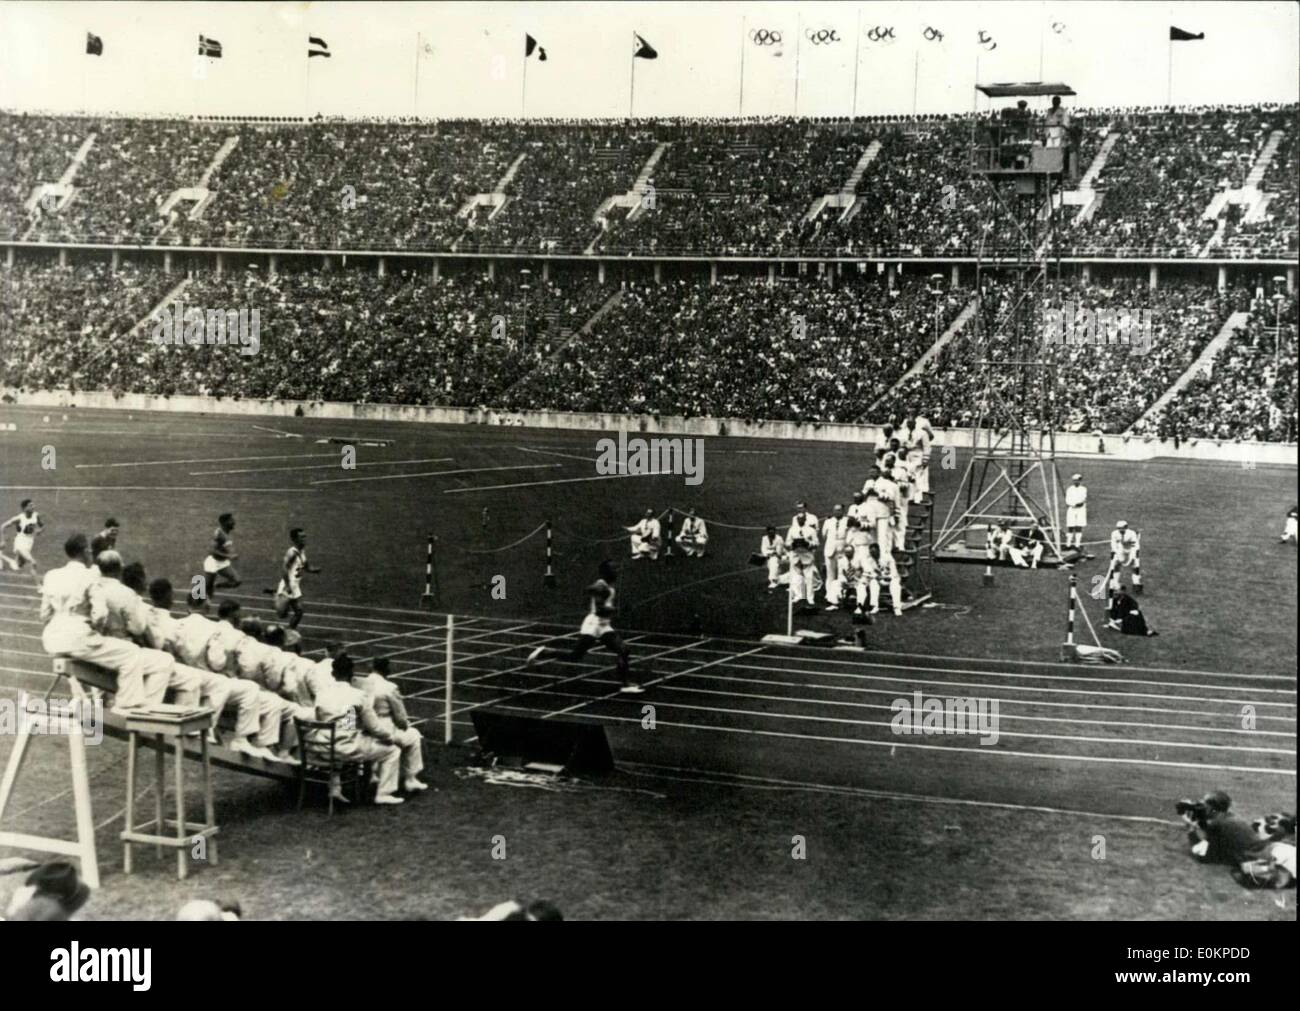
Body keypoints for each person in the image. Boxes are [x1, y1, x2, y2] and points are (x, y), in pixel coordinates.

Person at [526, 559, 643, 694]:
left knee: (624, 650)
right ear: (605, 572)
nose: (617, 571)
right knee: (574, 656)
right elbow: (600, 610)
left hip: (604, 625)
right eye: (613, 569)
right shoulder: (602, 587)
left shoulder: (605, 586)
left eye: (617, 568)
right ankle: (544, 652)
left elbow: (591, 592)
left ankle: (625, 685)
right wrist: (617, 610)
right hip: (593, 625)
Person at [309, 654, 406, 806]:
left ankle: (334, 789)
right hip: (343, 747)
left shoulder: (321, 694)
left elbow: (323, 718)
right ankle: (384, 793)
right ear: (351, 675)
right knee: (393, 751)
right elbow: (374, 727)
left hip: (320, 745)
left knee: (342, 738)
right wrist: (390, 737)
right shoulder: (358, 695)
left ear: (333, 674)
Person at [353, 657, 426, 793]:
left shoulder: (358, 684)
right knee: (414, 735)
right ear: (386, 670)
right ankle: (410, 778)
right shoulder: (390, 687)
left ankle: (373, 774)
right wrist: (404, 725)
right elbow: (400, 717)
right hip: (382, 727)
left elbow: (350, 716)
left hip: (358, 731)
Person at [274, 528, 320, 630]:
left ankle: (289, 631)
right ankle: (276, 597)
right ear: (295, 539)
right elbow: (284, 568)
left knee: (299, 612)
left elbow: (306, 567)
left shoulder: (302, 552)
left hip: (295, 587)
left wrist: (314, 570)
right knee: (282, 615)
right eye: (301, 537)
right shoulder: (292, 552)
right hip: (288, 586)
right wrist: (287, 585)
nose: (304, 539)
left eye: (305, 536)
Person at [786, 505, 820, 610]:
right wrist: (792, 545)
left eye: (802, 519)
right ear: (797, 519)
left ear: (805, 519)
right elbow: (787, 542)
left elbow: (816, 543)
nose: (800, 520)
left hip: (807, 555)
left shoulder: (811, 530)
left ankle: (810, 598)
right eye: (798, 519)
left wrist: (808, 543)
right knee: (797, 577)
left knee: (809, 578)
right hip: (796, 555)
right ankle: (799, 595)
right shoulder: (792, 529)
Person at [1, 498, 44, 578]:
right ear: (24, 508)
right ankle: (39, 586)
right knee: (33, 562)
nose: (33, 507)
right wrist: (3, 540)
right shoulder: (19, 518)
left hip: (30, 542)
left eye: (33, 505)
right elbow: (3, 526)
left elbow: (42, 525)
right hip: (20, 542)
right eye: (30, 505)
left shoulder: (36, 515)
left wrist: (40, 531)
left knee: (18, 566)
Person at [203, 513, 241, 597]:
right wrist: (229, 556)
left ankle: (216, 585)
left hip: (222, 563)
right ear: (225, 523)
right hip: (213, 562)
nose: (234, 522)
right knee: (207, 588)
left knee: (237, 581)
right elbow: (212, 550)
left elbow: (226, 546)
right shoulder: (219, 534)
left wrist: (230, 553)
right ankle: (197, 599)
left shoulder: (227, 532)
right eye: (231, 520)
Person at [863, 543, 903, 617]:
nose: (873, 554)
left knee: (895, 585)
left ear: (878, 551)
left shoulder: (887, 557)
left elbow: (894, 571)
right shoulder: (869, 560)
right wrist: (876, 576)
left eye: (874, 552)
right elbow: (869, 572)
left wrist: (888, 577)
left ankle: (897, 607)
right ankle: (875, 606)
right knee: (873, 583)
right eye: (871, 552)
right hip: (879, 579)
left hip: (890, 578)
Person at [821, 504, 849, 609]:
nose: (837, 512)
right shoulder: (828, 521)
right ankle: (830, 596)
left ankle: (842, 595)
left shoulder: (847, 521)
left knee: (842, 574)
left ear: (843, 511)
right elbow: (824, 535)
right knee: (830, 574)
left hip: (842, 551)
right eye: (835, 510)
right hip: (830, 550)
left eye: (839, 510)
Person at [758, 525, 786, 592]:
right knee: (771, 563)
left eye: (773, 532)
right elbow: (763, 549)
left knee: (773, 561)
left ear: (775, 532)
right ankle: (777, 578)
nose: (771, 534)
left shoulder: (779, 538)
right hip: (771, 557)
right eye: (769, 532)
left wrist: (771, 553)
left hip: (784, 557)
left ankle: (774, 581)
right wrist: (770, 553)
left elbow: (779, 553)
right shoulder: (764, 538)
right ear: (767, 532)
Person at [1064, 474, 1088, 550]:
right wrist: (1073, 504)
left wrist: (1078, 504)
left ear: (1080, 481)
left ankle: (1077, 545)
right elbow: (1067, 500)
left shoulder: (1083, 489)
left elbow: (1083, 499)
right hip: (1071, 509)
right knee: (1070, 526)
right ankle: (1068, 544)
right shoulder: (1069, 489)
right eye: (1074, 480)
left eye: (1077, 480)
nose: (1076, 482)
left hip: (1080, 510)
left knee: (1078, 526)